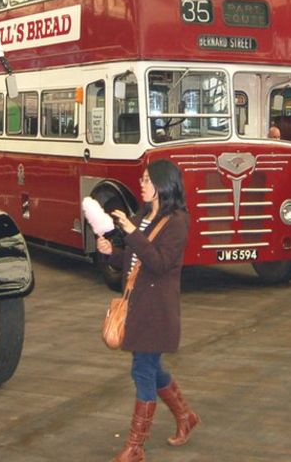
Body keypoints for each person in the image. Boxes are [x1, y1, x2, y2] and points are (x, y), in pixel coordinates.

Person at [96, 159, 196, 461]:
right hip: (137, 306)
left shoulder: (176, 221)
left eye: (147, 180)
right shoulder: (143, 214)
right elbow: (136, 259)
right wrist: (113, 253)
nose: (141, 184)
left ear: (163, 185)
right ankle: (186, 416)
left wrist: (131, 232)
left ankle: (135, 446)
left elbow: (159, 263)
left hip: (157, 311)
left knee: (142, 370)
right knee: (151, 368)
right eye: (142, 179)